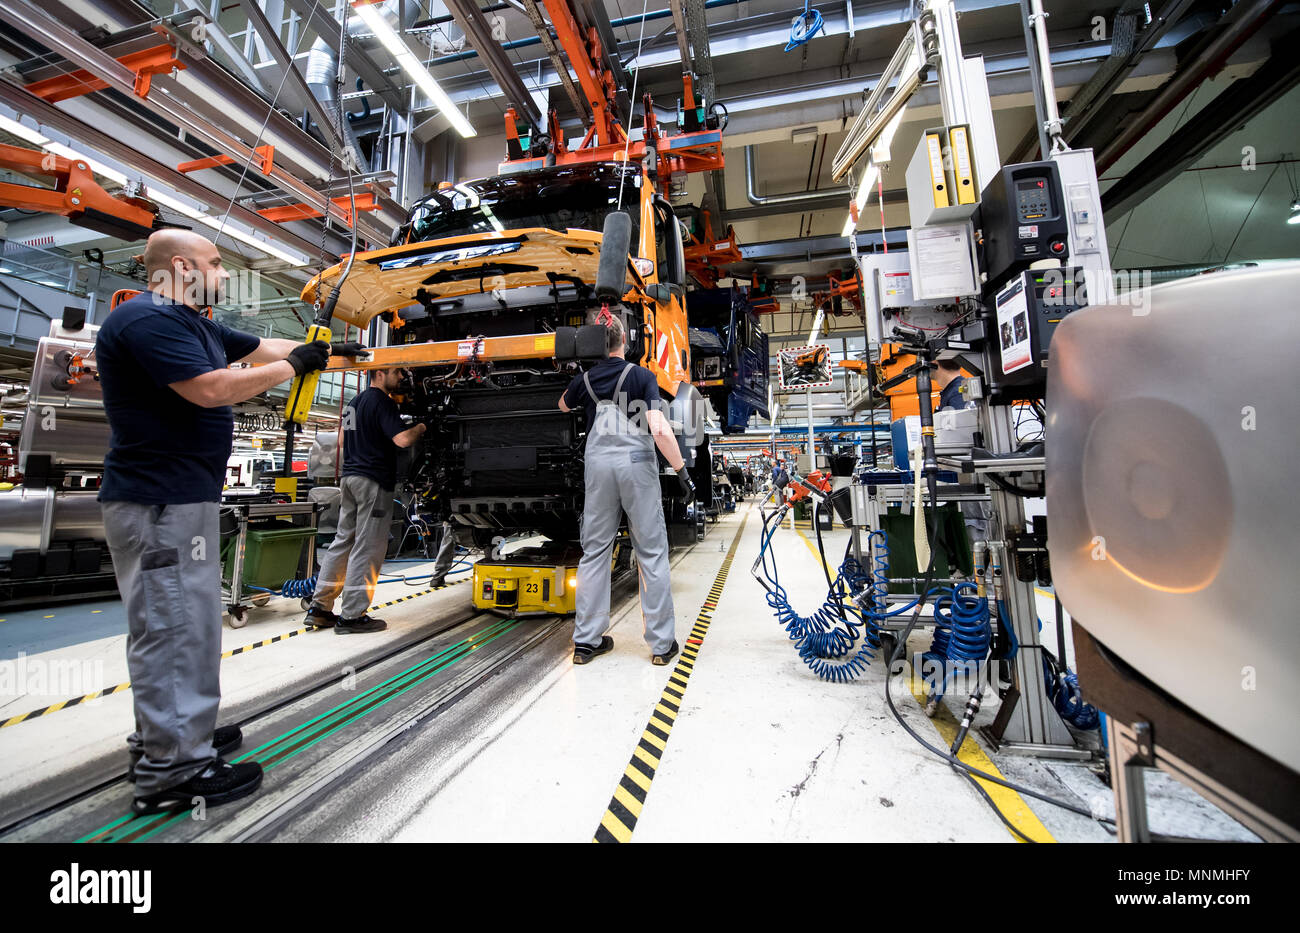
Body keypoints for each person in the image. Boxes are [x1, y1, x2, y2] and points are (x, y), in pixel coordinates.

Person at [96, 229, 332, 815]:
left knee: (190, 625)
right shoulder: (148, 319)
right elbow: (210, 390)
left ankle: (177, 734)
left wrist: (328, 350)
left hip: (181, 500)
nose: (225, 276)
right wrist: (295, 367)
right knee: (173, 628)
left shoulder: (194, 322)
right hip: (157, 504)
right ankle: (172, 770)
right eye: (217, 264)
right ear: (182, 265)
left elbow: (262, 349)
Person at [558, 308, 693, 665]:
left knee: (595, 551)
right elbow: (660, 429)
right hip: (636, 469)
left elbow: (561, 405)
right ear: (626, 341)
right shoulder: (641, 376)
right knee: (650, 551)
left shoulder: (583, 382)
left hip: (599, 471)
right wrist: (681, 472)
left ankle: (586, 642)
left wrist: (580, 379)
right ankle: (662, 646)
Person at [305, 367, 426, 633]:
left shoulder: (354, 402)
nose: (401, 378)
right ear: (380, 373)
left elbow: (340, 441)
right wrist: (421, 427)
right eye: (397, 372)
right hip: (373, 481)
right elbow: (403, 440)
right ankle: (352, 616)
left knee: (343, 540)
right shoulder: (382, 401)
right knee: (368, 545)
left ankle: (320, 608)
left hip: (349, 479)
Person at [933, 358, 990, 543]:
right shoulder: (951, 392)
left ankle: (980, 570)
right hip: (964, 473)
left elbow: (962, 441)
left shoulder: (959, 393)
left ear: (936, 362)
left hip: (970, 474)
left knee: (976, 529)